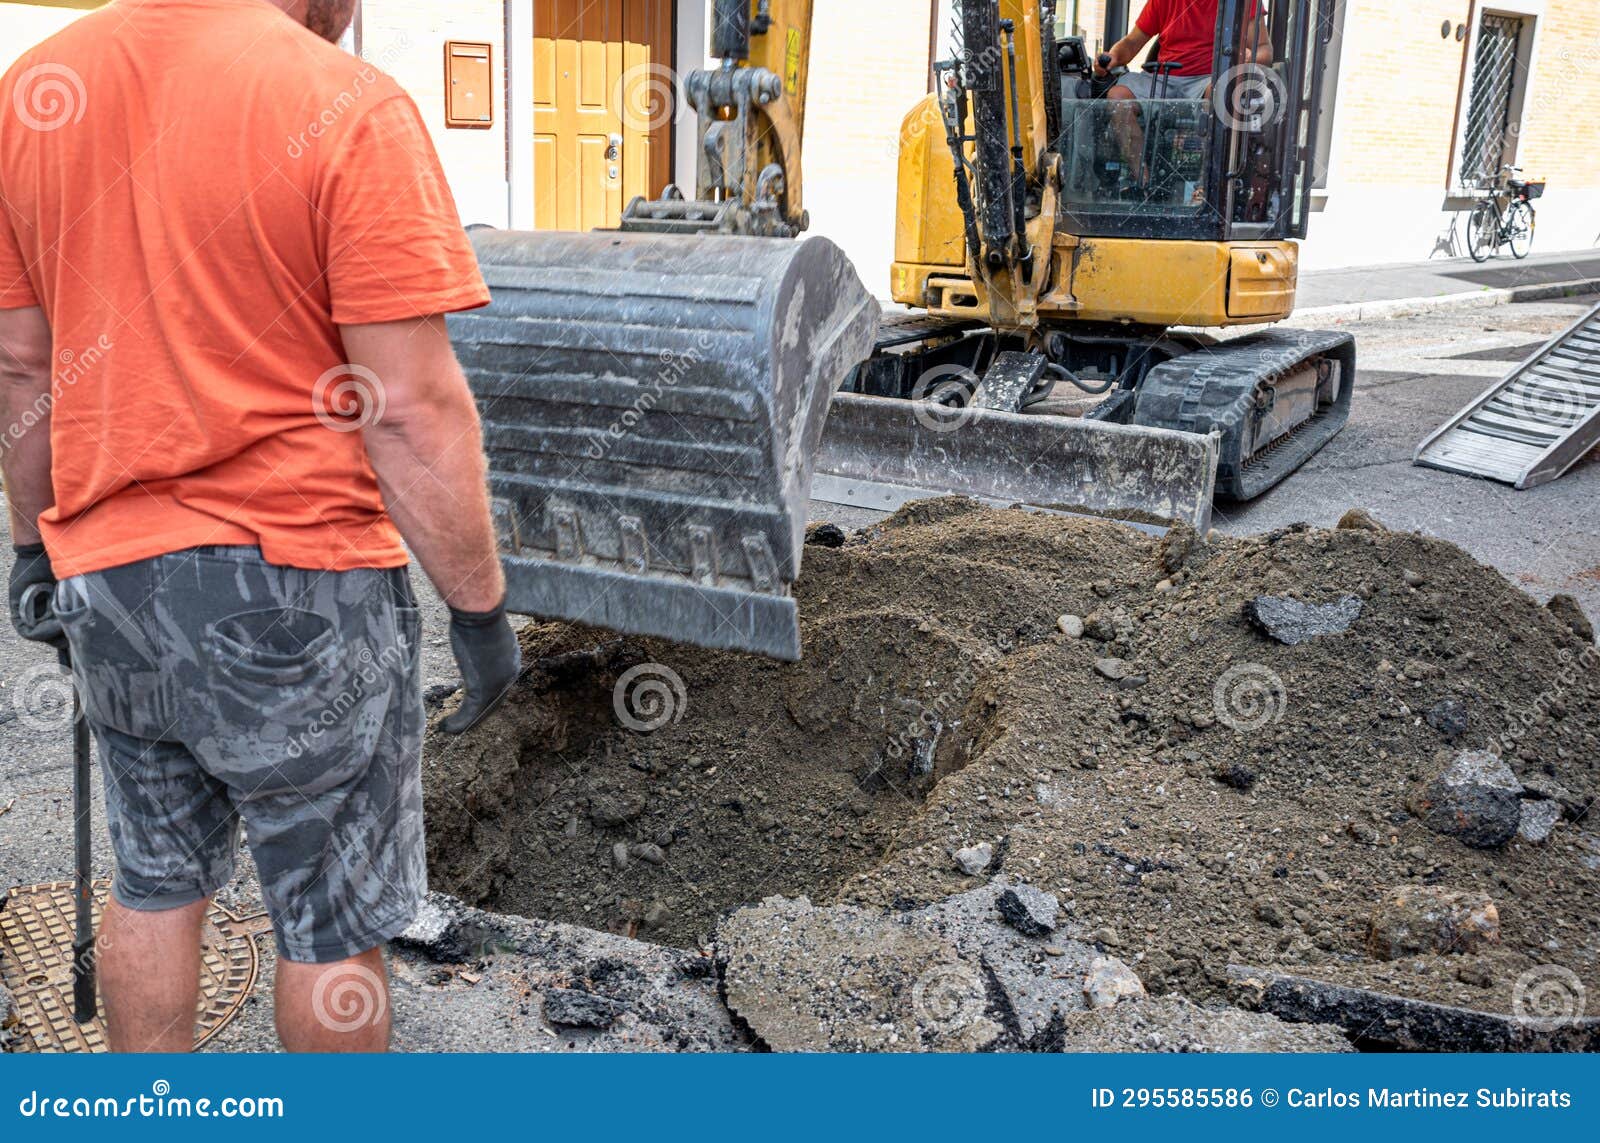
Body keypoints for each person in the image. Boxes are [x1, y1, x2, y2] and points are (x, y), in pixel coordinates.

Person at [0, 0, 521, 1052]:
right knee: (328, 919)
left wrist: (29, 545)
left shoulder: (30, 96)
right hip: (301, 585)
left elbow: (21, 365)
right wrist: (478, 610)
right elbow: (410, 406)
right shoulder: (346, 102)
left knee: (153, 881)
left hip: (110, 579)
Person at [1094, 0, 1273, 184]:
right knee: (1117, 96)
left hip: (1209, 78)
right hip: (1164, 77)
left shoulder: (1243, 3)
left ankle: (1205, 187)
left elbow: (1265, 51)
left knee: (1220, 92)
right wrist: (1114, 56)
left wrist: (1249, 58)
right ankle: (1143, 182)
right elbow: (1132, 43)